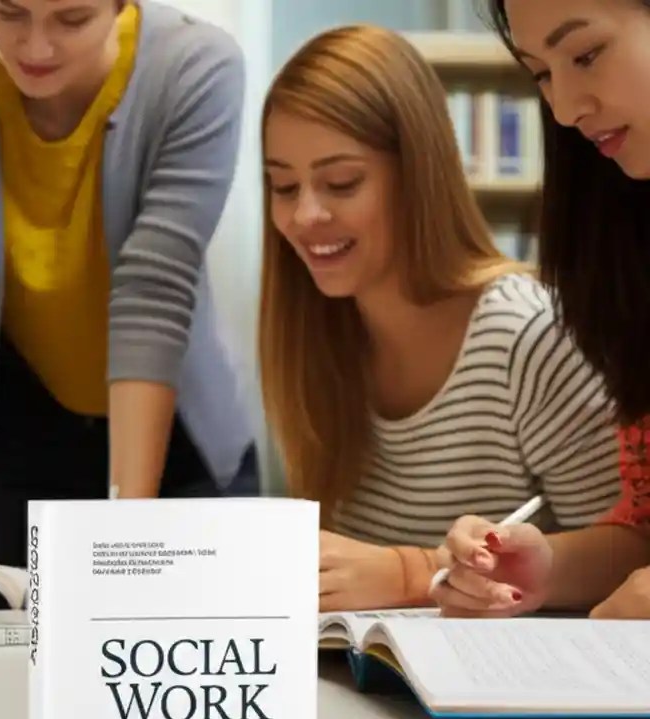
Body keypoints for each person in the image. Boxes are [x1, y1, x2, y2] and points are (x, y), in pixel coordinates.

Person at [0, 0, 259, 569]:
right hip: (27, 431)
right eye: (10, 13)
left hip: (182, 442)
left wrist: (129, 531)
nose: (33, 47)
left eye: (71, 20)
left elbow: (154, 290)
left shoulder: (194, 65)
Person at [260, 24, 623, 613]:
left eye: (341, 182)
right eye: (282, 186)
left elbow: (630, 558)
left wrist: (415, 571)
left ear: (418, 176)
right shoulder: (318, 340)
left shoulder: (529, 337)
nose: (305, 215)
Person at [433, 0, 650, 620]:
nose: (565, 108)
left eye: (585, 55)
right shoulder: (621, 237)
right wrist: (542, 568)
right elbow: (643, 526)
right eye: (542, 74)